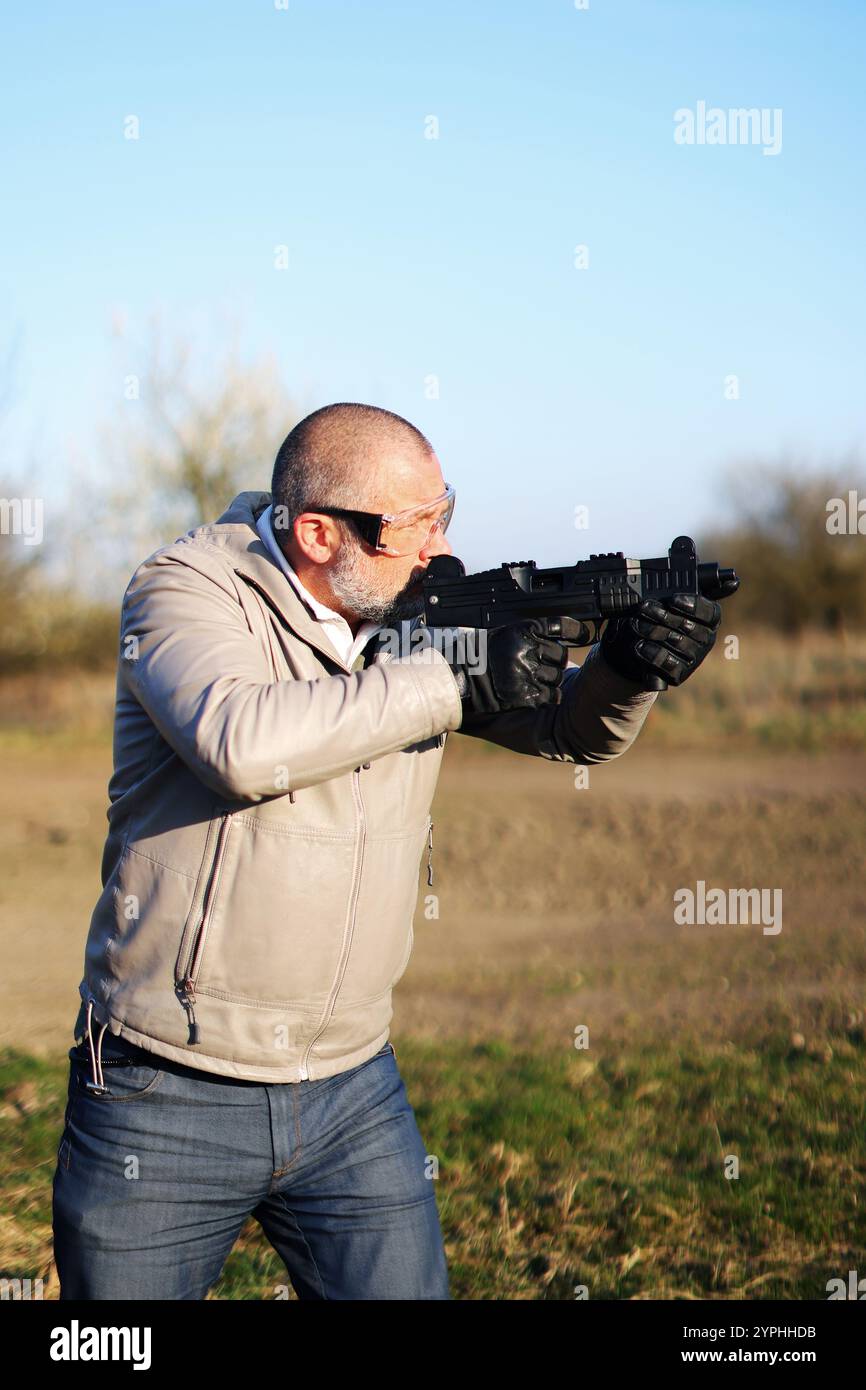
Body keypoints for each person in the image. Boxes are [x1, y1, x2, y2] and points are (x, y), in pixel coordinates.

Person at [51, 402, 722, 1300]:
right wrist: (448, 677)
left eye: (445, 513)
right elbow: (238, 744)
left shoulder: (420, 608)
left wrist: (626, 672)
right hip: (167, 1088)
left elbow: (571, 731)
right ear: (321, 533)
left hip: (352, 1086)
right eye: (415, 528)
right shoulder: (184, 591)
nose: (440, 549)